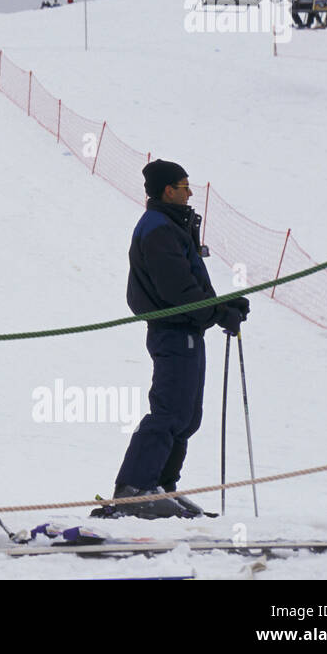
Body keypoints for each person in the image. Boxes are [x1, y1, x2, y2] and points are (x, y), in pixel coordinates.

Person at [101, 159, 248, 520]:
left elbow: (186, 285)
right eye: (184, 186)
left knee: (186, 416)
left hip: (185, 329)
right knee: (169, 411)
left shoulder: (169, 225)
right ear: (168, 190)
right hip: (173, 330)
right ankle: (135, 488)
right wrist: (217, 312)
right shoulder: (159, 229)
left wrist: (221, 305)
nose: (190, 192)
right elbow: (176, 289)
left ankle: (162, 485)